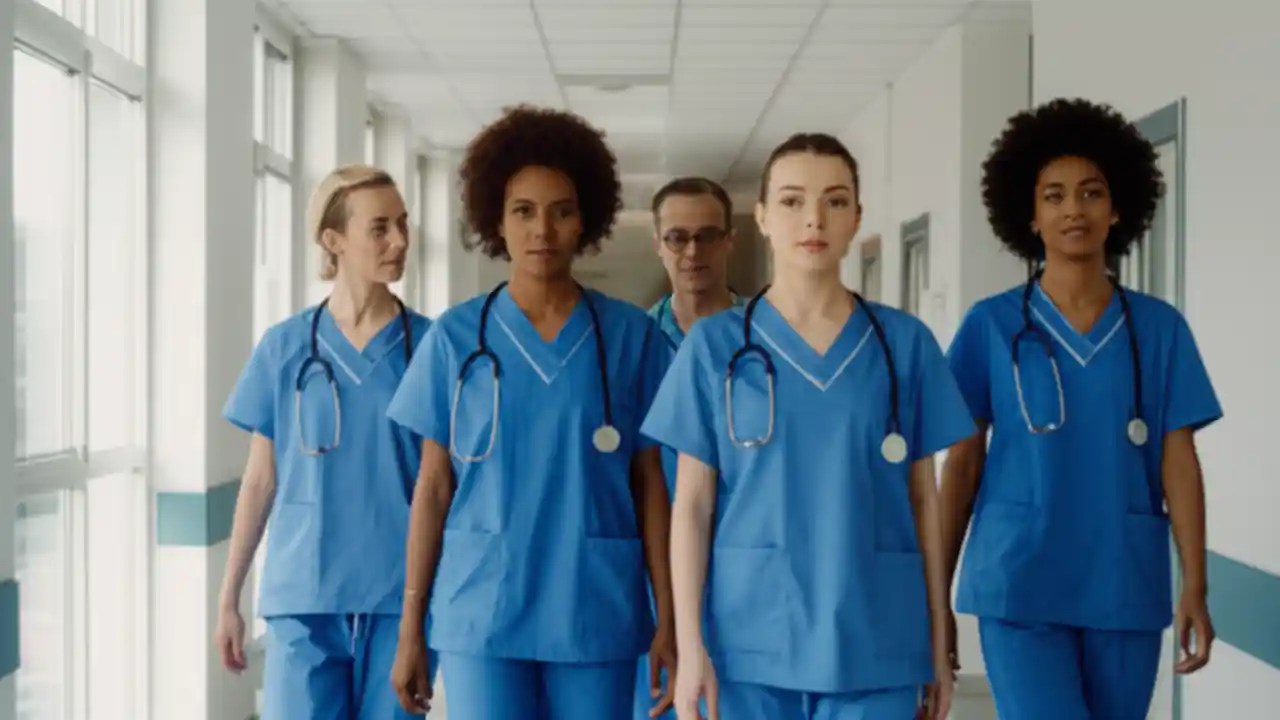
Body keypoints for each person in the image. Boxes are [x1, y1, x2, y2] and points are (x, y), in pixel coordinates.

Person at [641, 132, 974, 720]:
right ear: (764, 218)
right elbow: (690, 506)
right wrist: (691, 648)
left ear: (856, 218)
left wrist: (938, 640)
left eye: (835, 201)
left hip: (876, 640)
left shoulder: (904, 345)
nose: (813, 218)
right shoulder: (714, 348)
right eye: (793, 201)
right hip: (750, 643)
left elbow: (924, 499)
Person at [386, 104, 677, 720]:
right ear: (497, 219)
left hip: (593, 606)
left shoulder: (629, 338)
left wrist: (670, 616)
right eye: (523, 210)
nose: (542, 229)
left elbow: (651, 484)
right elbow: (433, 487)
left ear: (585, 221)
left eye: (561, 211)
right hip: (481, 609)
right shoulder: (455, 338)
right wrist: (411, 625)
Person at [940, 98, 1222, 719]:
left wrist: (1195, 581)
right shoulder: (990, 326)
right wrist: (933, 594)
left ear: (1118, 209)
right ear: (1031, 216)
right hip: (1018, 583)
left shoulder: (1159, 329)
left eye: (1092, 193)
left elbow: (1180, 459)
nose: (1074, 209)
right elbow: (961, 466)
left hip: (1123, 580)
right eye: (1055, 196)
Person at [214, 165, 437, 718]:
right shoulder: (284, 347)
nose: (400, 241)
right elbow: (261, 479)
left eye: (403, 225)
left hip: (400, 598)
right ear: (334, 241)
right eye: (380, 228)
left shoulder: (432, 347)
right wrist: (229, 598)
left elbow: (442, 485)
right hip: (303, 594)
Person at [638, 176, 746, 720]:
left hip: (751, 560)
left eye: (707, 236)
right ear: (657, 242)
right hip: (656, 569)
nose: (692, 251)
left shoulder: (764, 337)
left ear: (730, 240)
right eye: (677, 237)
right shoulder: (633, 342)